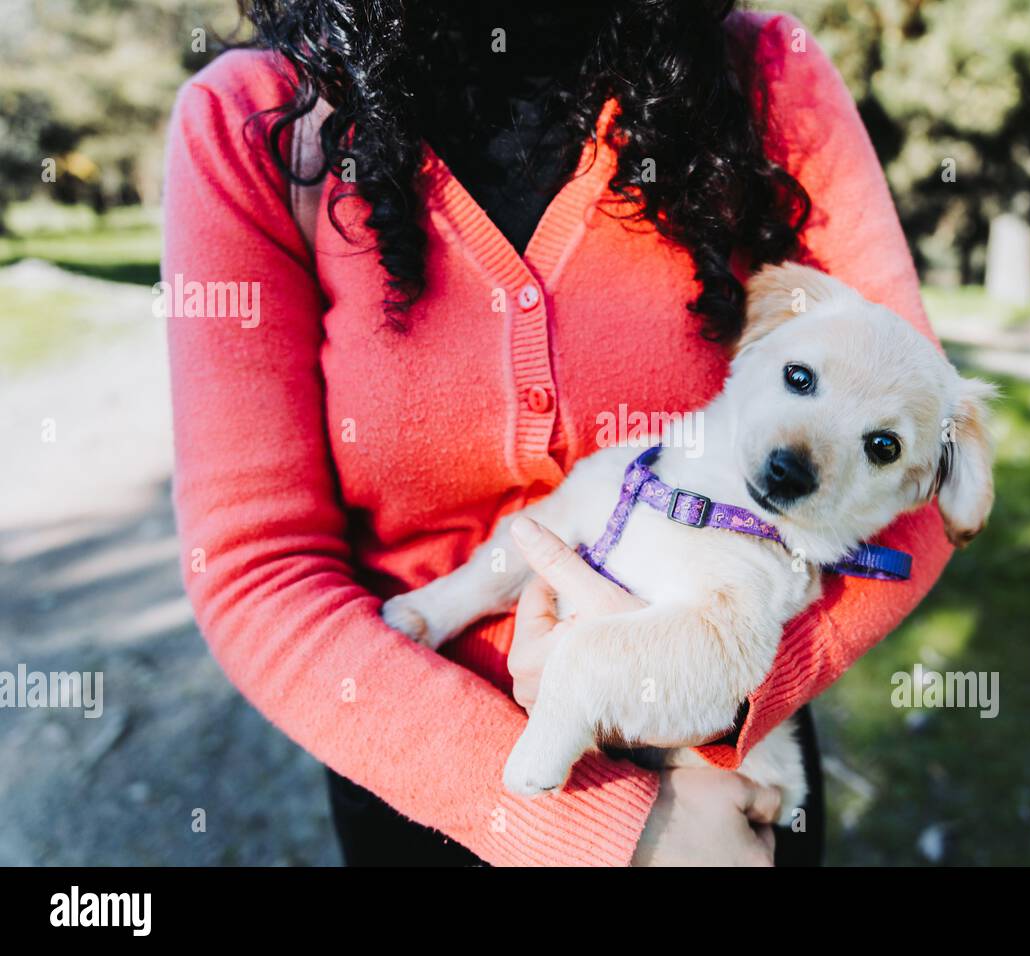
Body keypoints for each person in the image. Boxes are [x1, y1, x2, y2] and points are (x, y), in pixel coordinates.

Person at [162, 0, 954, 866]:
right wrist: (605, 828)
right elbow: (255, 570)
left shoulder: (765, 72)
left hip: (729, 788)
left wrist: (716, 687)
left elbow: (924, 469)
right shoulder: (251, 123)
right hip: (430, 791)